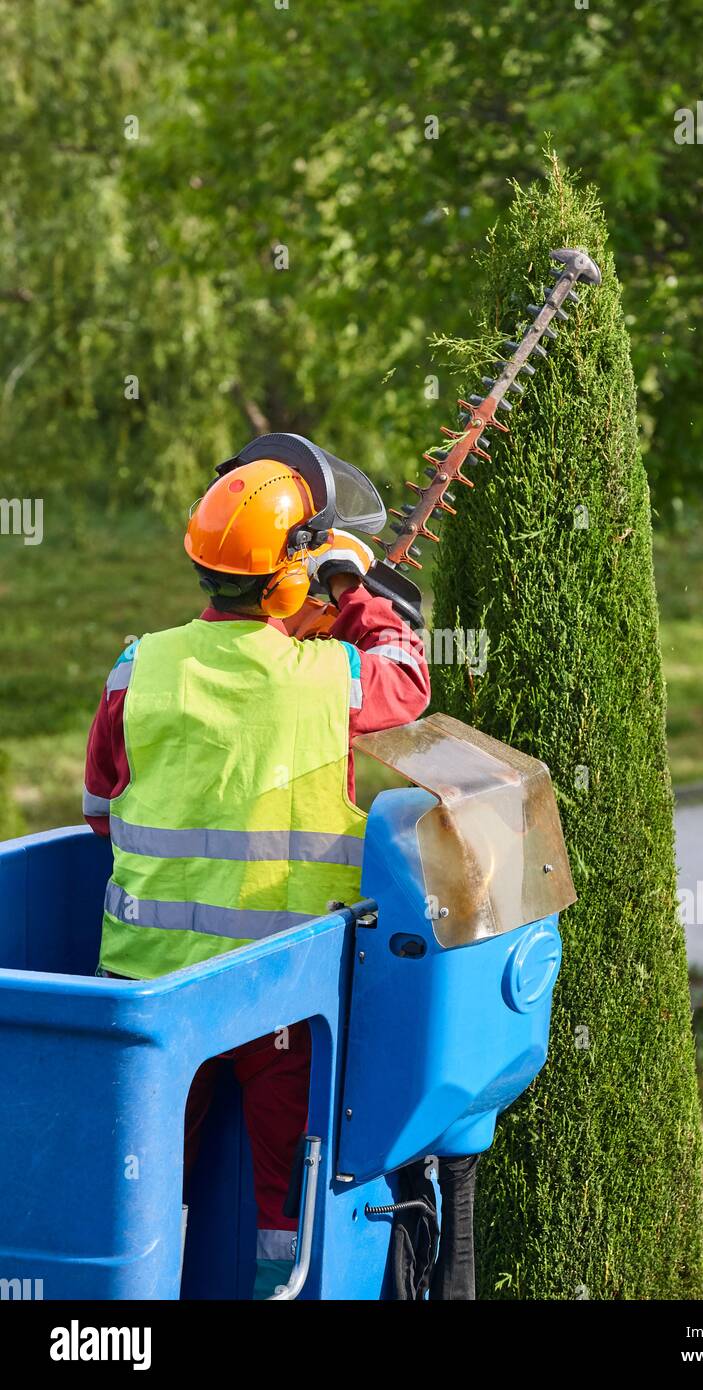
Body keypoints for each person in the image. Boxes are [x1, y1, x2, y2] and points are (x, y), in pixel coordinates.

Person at [82, 434, 430, 1298]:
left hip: (145, 992)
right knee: (286, 1196)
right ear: (291, 576)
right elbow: (407, 678)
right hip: (280, 995)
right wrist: (359, 601)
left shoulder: (138, 666)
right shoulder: (327, 677)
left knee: (142, 1190)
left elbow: (100, 812)